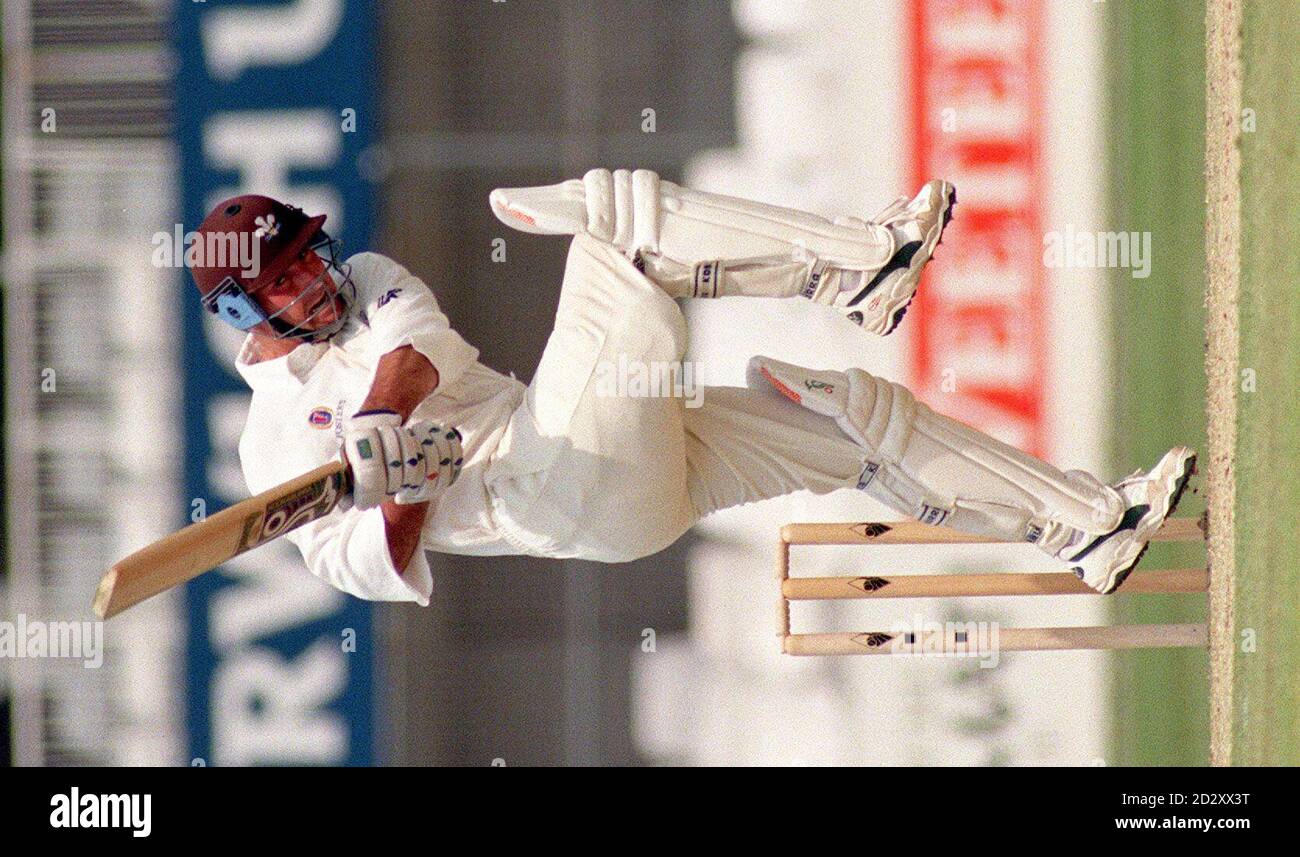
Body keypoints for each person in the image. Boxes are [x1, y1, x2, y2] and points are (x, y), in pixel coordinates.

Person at [189, 170, 1194, 607]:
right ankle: (856, 266)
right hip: (550, 494)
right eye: (283, 277)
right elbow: (376, 566)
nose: (315, 277)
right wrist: (400, 484)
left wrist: (378, 424)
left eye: (307, 254)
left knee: (850, 421)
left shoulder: (365, 281)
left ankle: (1089, 524)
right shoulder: (271, 450)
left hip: (593, 440)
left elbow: (412, 357)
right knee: (614, 225)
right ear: (245, 311)